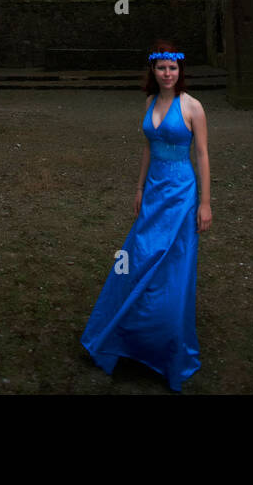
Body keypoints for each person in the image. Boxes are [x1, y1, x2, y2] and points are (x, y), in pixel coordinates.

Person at [81, 42, 212, 391]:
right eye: (161, 68)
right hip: (154, 190)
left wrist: (205, 203)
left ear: (180, 71)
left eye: (173, 68)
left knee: (171, 264)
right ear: (152, 71)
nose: (167, 74)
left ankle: (167, 348)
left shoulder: (193, 107)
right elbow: (147, 147)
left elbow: (201, 155)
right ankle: (124, 335)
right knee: (137, 257)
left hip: (181, 192)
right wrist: (138, 188)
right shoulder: (149, 103)